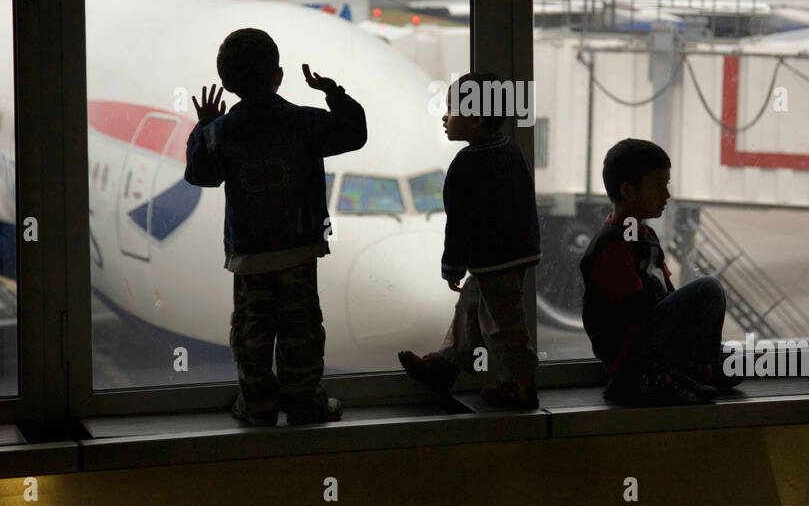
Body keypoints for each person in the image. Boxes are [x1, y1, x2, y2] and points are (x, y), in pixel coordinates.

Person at [184, 28, 366, 426]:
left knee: (252, 336)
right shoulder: (304, 123)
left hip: (250, 258)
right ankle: (305, 406)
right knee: (301, 333)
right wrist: (332, 92)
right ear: (278, 76)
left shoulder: (221, 132)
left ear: (228, 85)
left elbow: (200, 175)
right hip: (299, 252)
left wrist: (204, 125)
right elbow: (355, 133)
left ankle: (258, 406)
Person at [398, 72, 542, 409]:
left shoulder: (467, 163)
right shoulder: (511, 150)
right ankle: (445, 366)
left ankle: (521, 387)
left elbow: (460, 222)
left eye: (451, 109)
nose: (445, 117)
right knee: (471, 308)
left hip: (493, 259)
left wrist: (452, 265)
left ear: (476, 119)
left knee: (504, 326)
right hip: (515, 254)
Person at [579, 138, 741, 405]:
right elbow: (634, 315)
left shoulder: (646, 236)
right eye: (658, 186)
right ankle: (647, 378)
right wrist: (683, 337)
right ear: (628, 190)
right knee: (709, 289)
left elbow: (666, 293)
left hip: (657, 339)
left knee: (739, 364)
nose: (666, 196)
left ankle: (679, 374)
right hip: (632, 350)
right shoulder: (611, 245)